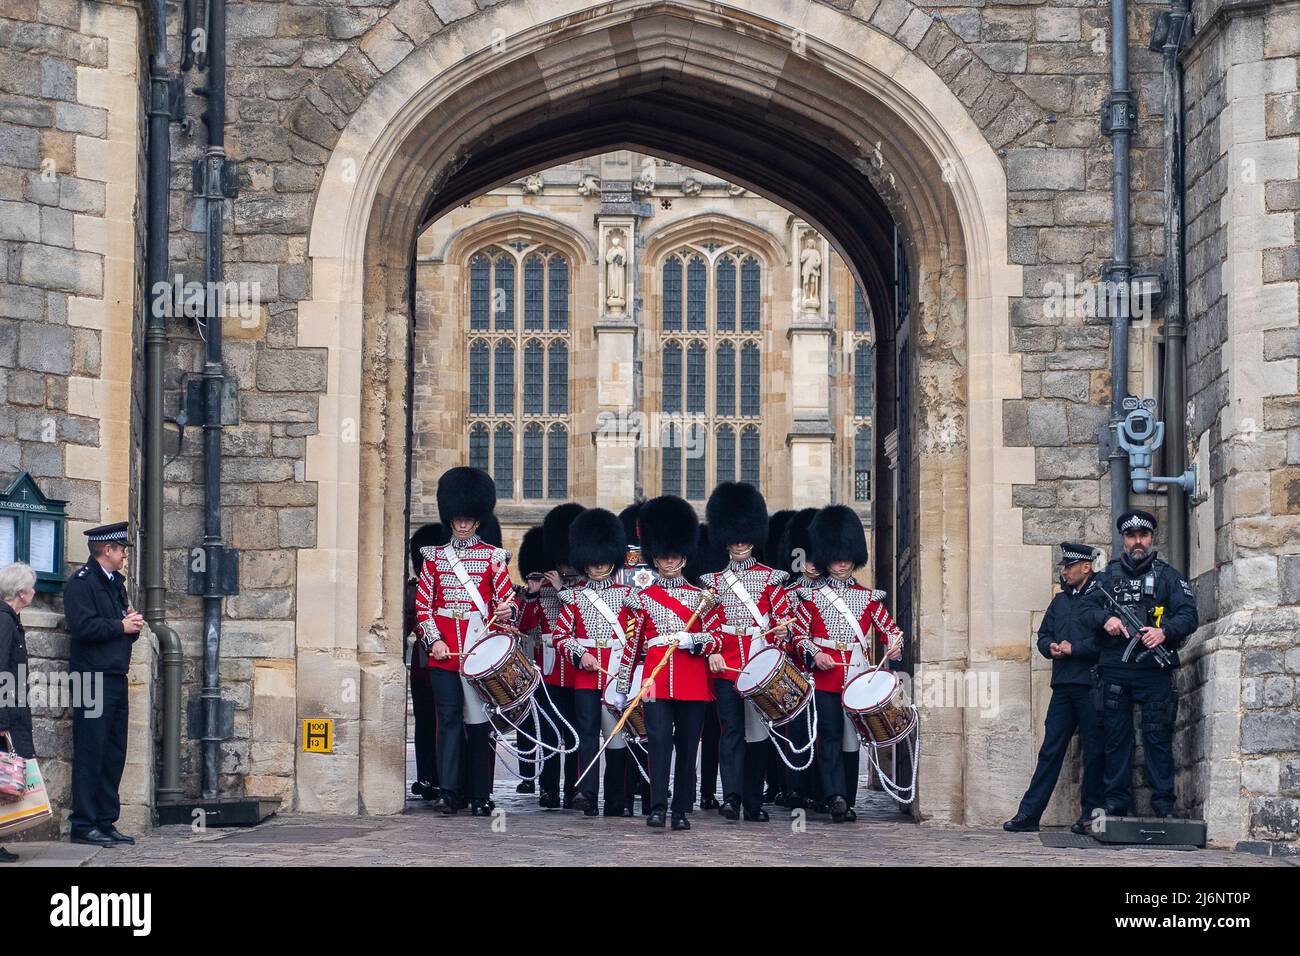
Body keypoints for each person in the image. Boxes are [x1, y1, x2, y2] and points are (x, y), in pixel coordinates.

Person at [414, 467, 517, 816]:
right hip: (445, 653)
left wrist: (506, 612)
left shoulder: (493, 557)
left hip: (478, 652)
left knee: (479, 723)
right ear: (450, 518)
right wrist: (434, 641)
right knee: (449, 720)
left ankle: (480, 794)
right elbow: (423, 606)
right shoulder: (434, 558)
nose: (462, 524)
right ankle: (448, 790)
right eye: (457, 518)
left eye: (468, 519)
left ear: (477, 520)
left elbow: (509, 603)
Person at [791, 506, 903, 823]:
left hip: (856, 674)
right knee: (828, 733)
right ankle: (834, 796)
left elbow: (890, 630)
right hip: (825, 676)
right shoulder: (809, 596)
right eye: (836, 557)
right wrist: (815, 652)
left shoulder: (868, 597)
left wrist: (896, 646)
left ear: (854, 558)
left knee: (851, 740)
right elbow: (798, 634)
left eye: (846, 557)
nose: (841, 563)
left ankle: (847, 798)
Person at [613, 495, 719, 831]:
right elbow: (632, 646)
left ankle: (681, 809)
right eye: (662, 556)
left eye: (674, 556)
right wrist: (622, 687)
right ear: (654, 559)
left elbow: (717, 638)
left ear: (684, 557)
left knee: (688, 749)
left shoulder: (703, 598)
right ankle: (657, 806)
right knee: (657, 744)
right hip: (655, 683)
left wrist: (693, 640)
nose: (668, 561)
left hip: (692, 681)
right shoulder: (640, 599)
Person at [1092, 509, 1198, 818]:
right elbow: (1085, 610)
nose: (1138, 541)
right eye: (1131, 536)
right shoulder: (1107, 578)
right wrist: (1107, 618)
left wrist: (1164, 632)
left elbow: (1189, 615)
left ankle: (1164, 805)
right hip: (1115, 667)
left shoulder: (1168, 577)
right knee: (1116, 738)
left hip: (1153, 670)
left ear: (1151, 538)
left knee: (1157, 737)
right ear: (1123, 539)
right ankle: (1116, 804)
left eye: (1143, 535)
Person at [700, 482, 792, 823]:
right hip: (726, 667)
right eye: (734, 538)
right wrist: (712, 649)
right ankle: (732, 797)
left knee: (757, 734)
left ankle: (754, 801)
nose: (739, 544)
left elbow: (784, 619)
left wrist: (783, 630)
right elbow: (707, 624)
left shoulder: (771, 579)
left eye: (744, 537)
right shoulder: (712, 582)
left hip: (759, 667)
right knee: (731, 733)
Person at [1003, 542, 1105, 834]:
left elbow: (1105, 643)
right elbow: (1043, 635)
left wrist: (1077, 649)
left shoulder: (1101, 597)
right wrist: (1050, 646)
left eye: (1069, 566)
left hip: (1091, 685)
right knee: (1050, 751)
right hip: (1063, 686)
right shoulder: (1059, 602)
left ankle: (1093, 818)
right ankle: (1029, 814)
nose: (1065, 571)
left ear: (1086, 567)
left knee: (1095, 753)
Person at [63, 521, 143, 847]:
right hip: (90, 678)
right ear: (106, 550)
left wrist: (131, 626)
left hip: (113, 676)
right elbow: (83, 627)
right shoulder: (80, 584)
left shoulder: (115, 584)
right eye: (121, 549)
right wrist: (120, 626)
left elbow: (118, 625)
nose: (125, 554)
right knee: (90, 751)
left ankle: (105, 820)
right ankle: (83, 823)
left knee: (113, 752)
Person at [554, 508, 636, 816]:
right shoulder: (573, 597)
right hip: (587, 676)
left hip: (618, 675)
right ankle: (586, 794)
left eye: (603, 558)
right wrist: (580, 653)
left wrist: (624, 670)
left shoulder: (628, 595)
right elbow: (562, 635)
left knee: (616, 738)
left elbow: (636, 637)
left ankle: (618, 798)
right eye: (593, 559)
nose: (599, 565)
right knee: (588, 735)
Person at [520, 502, 585, 809]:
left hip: (576, 669)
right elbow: (523, 626)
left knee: (574, 730)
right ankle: (547, 788)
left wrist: (562, 589)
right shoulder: (541, 587)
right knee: (547, 731)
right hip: (546, 669)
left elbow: (582, 616)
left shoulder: (584, 589)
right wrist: (532, 594)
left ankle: (574, 789)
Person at [406, 524, 447, 803]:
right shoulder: (414, 590)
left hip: (446, 666)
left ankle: (445, 777)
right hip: (423, 669)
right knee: (424, 723)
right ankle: (426, 776)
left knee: (444, 724)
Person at [0, 562, 37, 863]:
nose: (35, 592)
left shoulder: (11, 620)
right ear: (22, 593)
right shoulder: (4, 622)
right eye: (32, 587)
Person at [512, 526, 547, 793]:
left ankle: (549, 779)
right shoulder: (524, 596)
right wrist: (533, 594)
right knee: (526, 722)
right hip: (527, 666)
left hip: (553, 668)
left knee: (548, 723)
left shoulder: (563, 594)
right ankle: (527, 775)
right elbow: (522, 625)